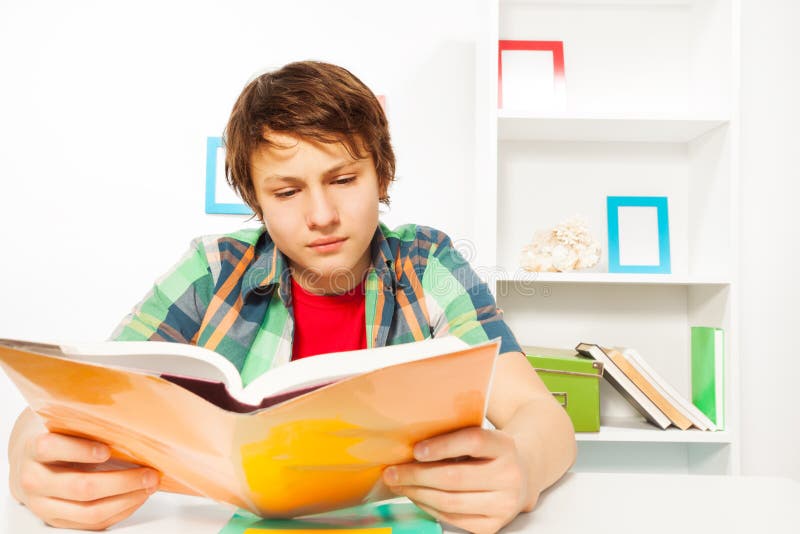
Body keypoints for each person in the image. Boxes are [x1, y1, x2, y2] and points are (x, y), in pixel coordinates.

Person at [7, 61, 576, 533]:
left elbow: (539, 414)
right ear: (255, 200)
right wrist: (27, 463)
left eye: (344, 180)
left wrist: (523, 468)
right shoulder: (211, 269)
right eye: (286, 192)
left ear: (381, 174)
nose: (322, 216)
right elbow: (74, 404)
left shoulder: (429, 264)